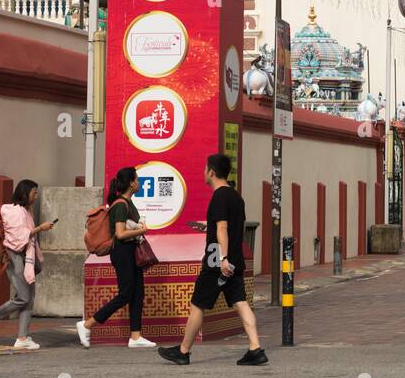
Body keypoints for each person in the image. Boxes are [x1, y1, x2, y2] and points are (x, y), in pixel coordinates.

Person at [160, 154, 267, 365]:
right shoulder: (236, 197)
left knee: (198, 304)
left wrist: (222, 258)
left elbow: (222, 227)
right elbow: (229, 227)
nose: (203, 172)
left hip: (216, 261)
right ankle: (256, 348)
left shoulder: (219, 196)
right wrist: (209, 228)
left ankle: (183, 351)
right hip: (235, 259)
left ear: (211, 171)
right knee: (241, 303)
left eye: (205, 168)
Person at [76, 167, 155, 349]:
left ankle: (136, 336)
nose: (140, 182)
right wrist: (143, 230)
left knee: (138, 293)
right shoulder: (120, 204)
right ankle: (88, 324)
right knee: (126, 293)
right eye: (137, 179)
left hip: (131, 251)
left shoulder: (127, 203)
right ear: (131, 183)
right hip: (122, 252)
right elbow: (120, 234)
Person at [0, 179, 53, 350]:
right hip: (13, 256)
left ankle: (22, 337)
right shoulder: (17, 212)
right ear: (25, 193)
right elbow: (18, 238)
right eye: (34, 192)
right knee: (23, 297)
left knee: (29, 298)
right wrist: (40, 228)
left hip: (23, 257)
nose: (36, 195)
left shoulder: (26, 211)